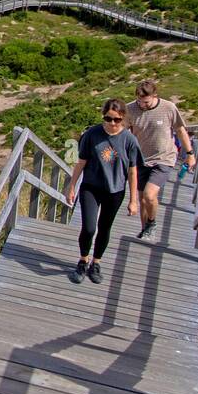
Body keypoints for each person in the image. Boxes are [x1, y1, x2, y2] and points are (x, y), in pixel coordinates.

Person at [65, 98, 142, 284]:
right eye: (108, 119)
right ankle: (83, 260)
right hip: (91, 187)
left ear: (123, 118)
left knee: (105, 228)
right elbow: (81, 162)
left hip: (115, 190)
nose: (112, 123)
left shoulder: (129, 140)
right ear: (103, 117)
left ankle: (96, 262)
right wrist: (72, 186)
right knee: (89, 227)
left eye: (117, 119)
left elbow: (133, 171)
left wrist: (134, 200)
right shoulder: (92, 134)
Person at [125, 79, 194, 239]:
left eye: (146, 102)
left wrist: (190, 154)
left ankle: (152, 222)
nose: (142, 105)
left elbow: (181, 131)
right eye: (139, 101)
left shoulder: (168, 107)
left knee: (149, 195)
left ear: (155, 96)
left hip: (164, 158)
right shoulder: (130, 109)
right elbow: (122, 131)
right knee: (142, 199)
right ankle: (145, 231)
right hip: (140, 159)